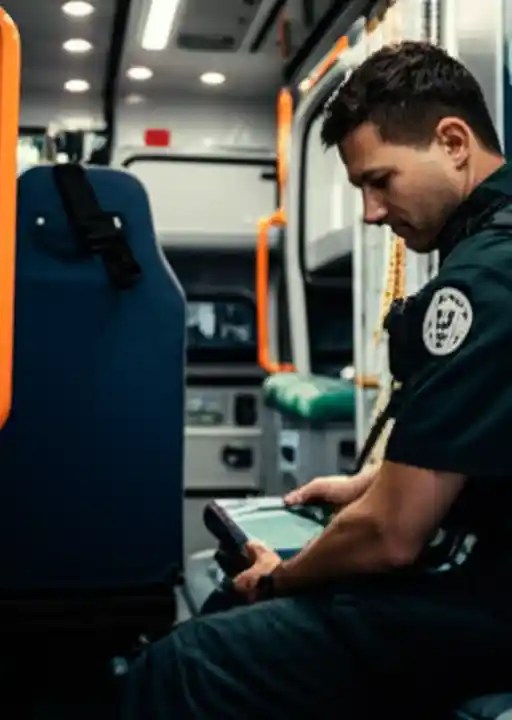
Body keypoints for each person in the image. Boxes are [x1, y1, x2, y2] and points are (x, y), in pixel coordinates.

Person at [119, 41, 512, 718]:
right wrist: (371, 484)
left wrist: (282, 579)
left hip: (494, 602)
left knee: (187, 665)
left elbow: (390, 537)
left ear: (453, 143)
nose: (371, 212)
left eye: (380, 180)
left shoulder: (481, 279)